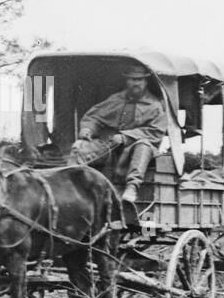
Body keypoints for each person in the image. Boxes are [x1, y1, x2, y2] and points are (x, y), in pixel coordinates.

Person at [70, 64, 167, 204]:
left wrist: (125, 137)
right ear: (126, 81)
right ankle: (73, 188)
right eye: (132, 79)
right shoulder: (116, 99)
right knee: (79, 147)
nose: (136, 83)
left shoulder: (155, 106)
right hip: (111, 145)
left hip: (137, 149)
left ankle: (132, 188)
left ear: (146, 82)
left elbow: (156, 132)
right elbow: (94, 117)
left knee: (143, 145)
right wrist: (88, 129)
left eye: (140, 80)